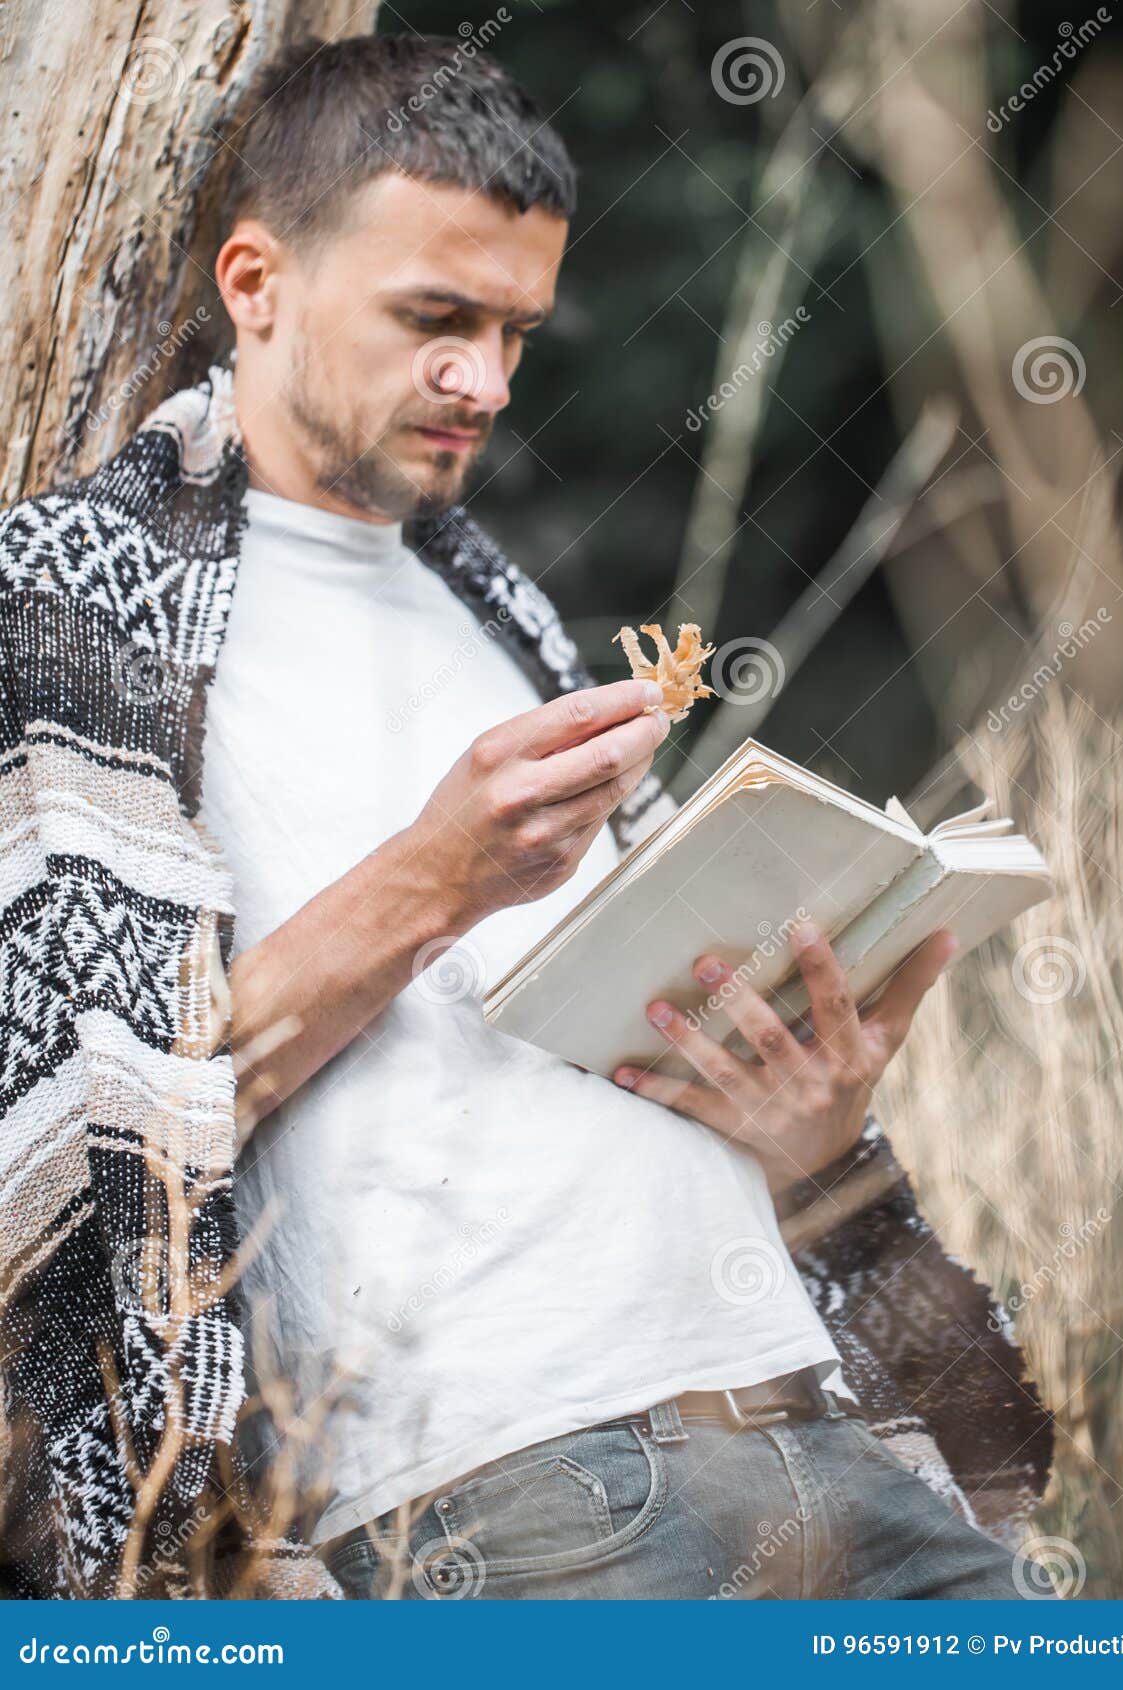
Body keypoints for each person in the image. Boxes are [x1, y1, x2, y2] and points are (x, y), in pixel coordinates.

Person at [0, 33, 1051, 1601]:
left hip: (820, 1434)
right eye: (434, 317)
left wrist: (806, 1128)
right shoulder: (78, 608)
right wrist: (432, 880)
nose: (483, 383)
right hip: (524, 1492)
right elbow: (74, 1146)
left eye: (512, 330)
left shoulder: (498, 607)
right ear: (255, 281)